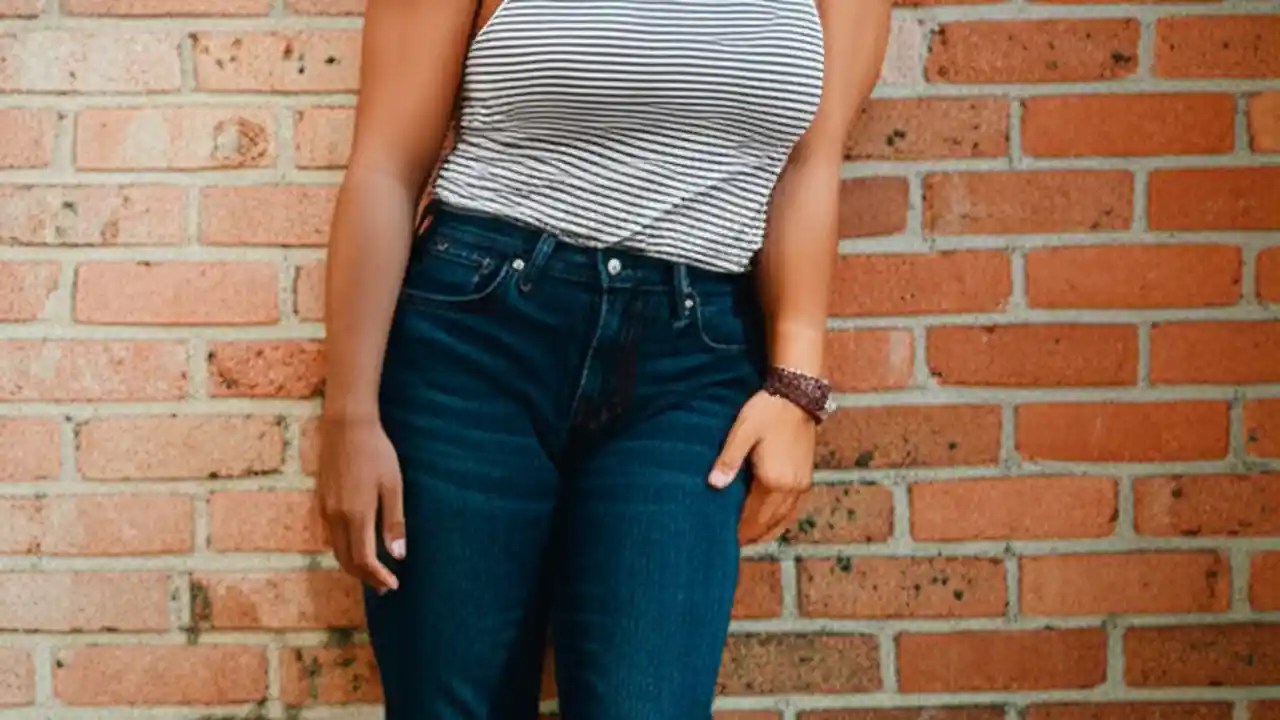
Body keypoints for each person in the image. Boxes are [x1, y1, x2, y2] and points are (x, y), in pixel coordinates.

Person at [317, 0, 893, 716]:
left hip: (690, 373)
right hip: (473, 354)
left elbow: (811, 161)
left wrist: (796, 383)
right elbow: (385, 166)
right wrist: (349, 415)